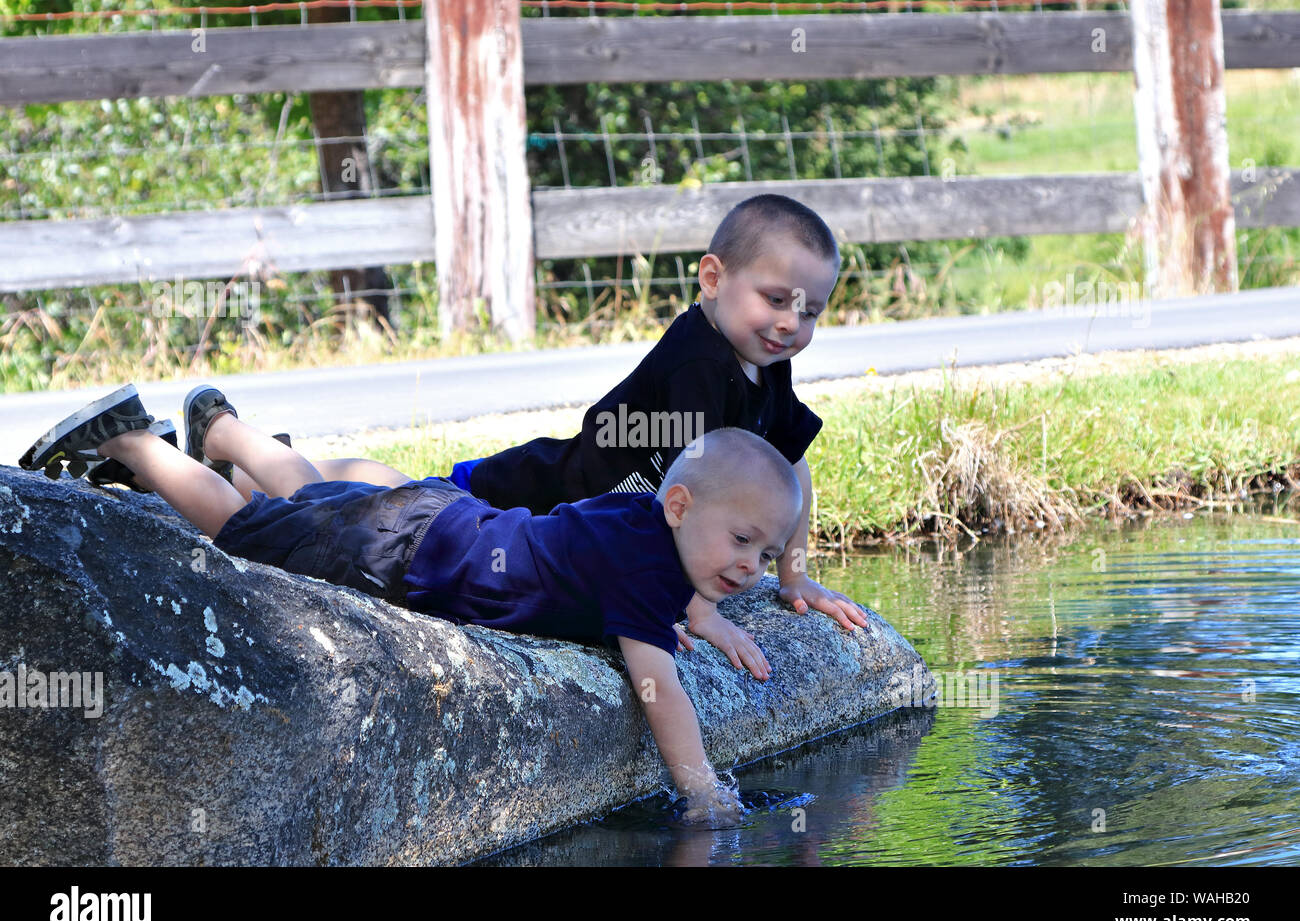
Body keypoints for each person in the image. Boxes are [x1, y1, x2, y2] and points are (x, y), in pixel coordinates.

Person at [21, 384, 805, 824]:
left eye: (765, 555)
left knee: (314, 501)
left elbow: (654, 580)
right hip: (400, 558)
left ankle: (223, 430)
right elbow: (656, 686)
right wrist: (703, 789)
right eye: (740, 542)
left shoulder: (649, 526)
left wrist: (703, 607)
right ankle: (131, 441)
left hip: (433, 521)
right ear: (677, 505)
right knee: (247, 531)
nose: (749, 566)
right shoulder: (646, 566)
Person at [218, 194, 869, 673]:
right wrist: (697, 610)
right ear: (712, 278)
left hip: (574, 519)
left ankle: (256, 461)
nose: (791, 323)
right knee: (388, 496)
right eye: (777, 298)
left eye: (810, 310)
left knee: (384, 496)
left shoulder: (764, 364)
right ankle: (258, 453)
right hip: (534, 498)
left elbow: (789, 471)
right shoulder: (699, 361)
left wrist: (794, 573)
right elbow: (683, 496)